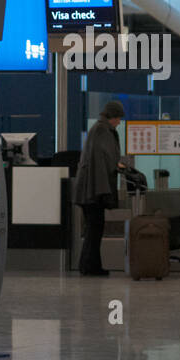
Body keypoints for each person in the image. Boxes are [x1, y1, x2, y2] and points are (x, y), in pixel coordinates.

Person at [74, 100, 126, 277]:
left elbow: (101, 158)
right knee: (94, 228)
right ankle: (89, 266)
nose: (119, 122)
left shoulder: (99, 129)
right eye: (118, 118)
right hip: (93, 189)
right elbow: (102, 159)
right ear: (112, 117)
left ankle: (90, 265)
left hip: (90, 188)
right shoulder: (102, 130)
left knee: (94, 228)